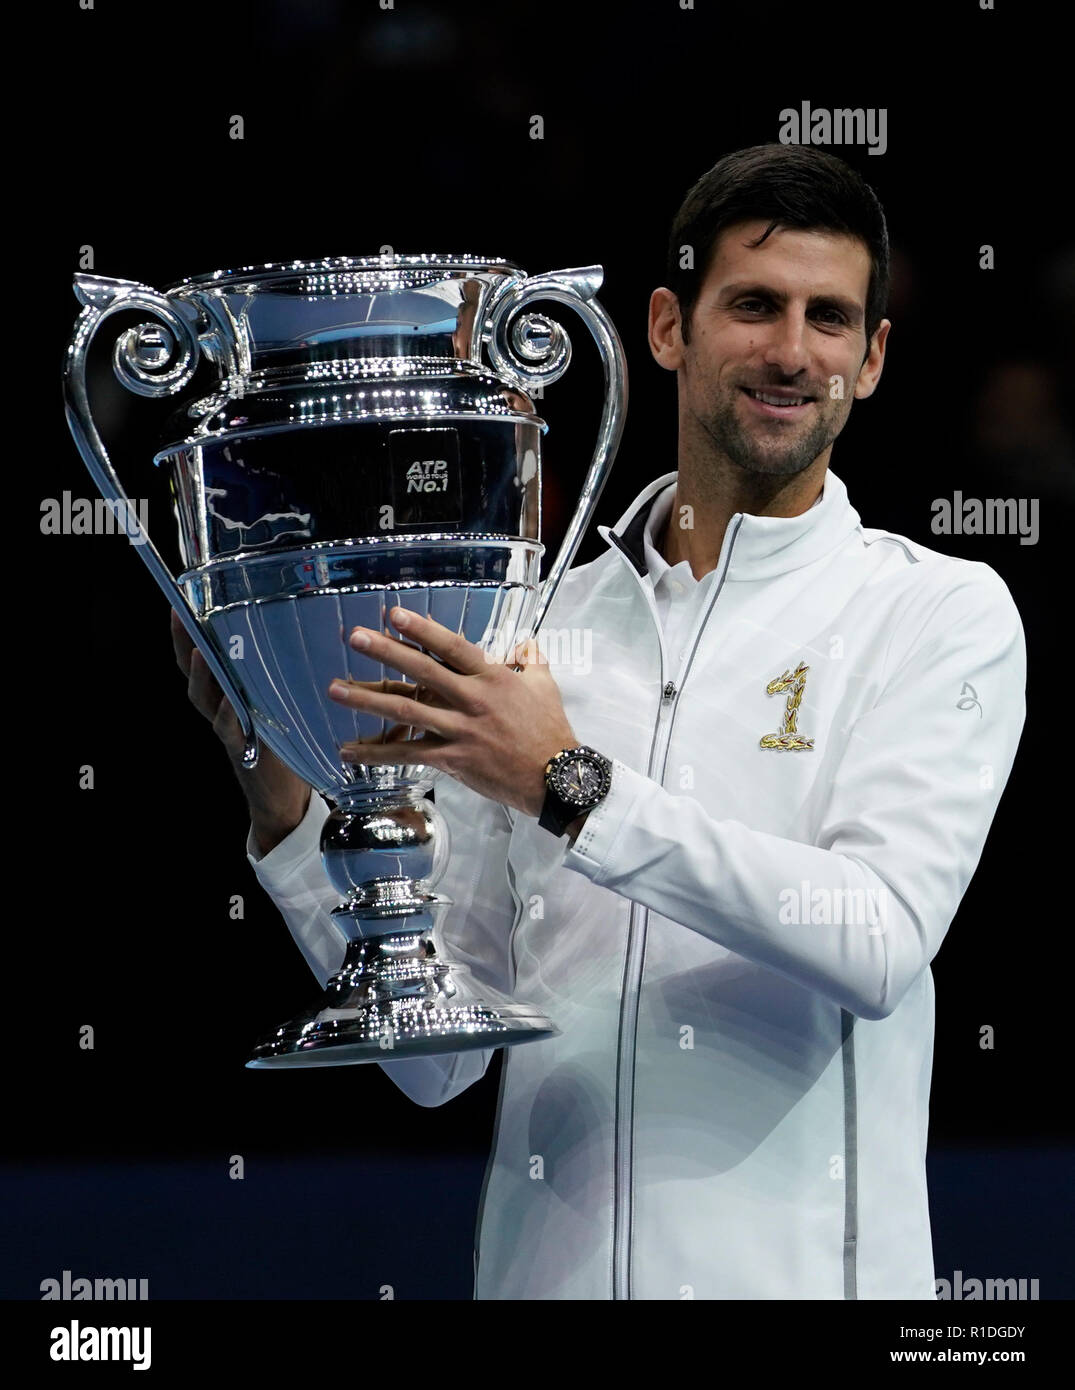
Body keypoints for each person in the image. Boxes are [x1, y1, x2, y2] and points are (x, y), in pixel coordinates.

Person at [172, 143, 1026, 1300]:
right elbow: (446, 1054)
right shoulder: (533, 620)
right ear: (668, 328)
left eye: (830, 319)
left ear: (870, 360)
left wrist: (568, 785)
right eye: (753, 306)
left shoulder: (936, 612)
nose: (790, 350)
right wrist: (282, 802)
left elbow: (874, 939)